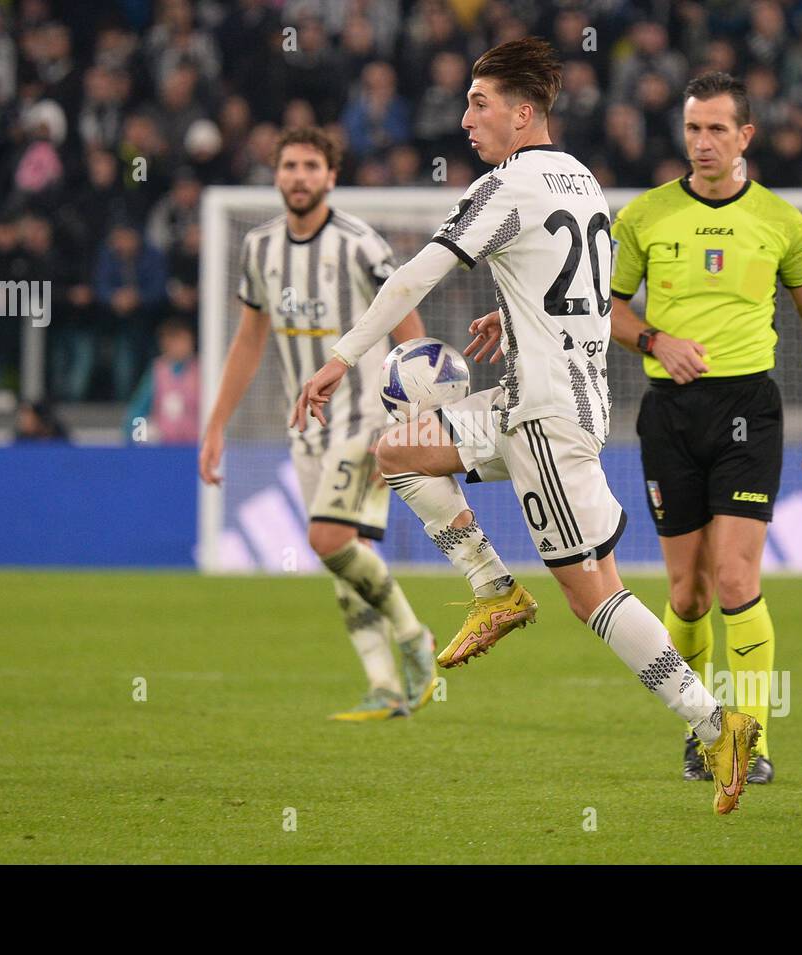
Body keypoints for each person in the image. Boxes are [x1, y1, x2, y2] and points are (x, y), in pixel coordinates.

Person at [293, 39, 758, 816]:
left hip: (543, 418)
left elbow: (414, 274)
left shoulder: (505, 184)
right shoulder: (580, 178)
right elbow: (572, 288)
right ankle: (493, 587)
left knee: (594, 598)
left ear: (523, 112)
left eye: (479, 104)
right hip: (548, 404)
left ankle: (714, 722)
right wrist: (512, 315)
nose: (466, 118)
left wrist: (342, 356)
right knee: (398, 451)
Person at [608, 72, 802, 788]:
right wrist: (656, 342)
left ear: (745, 136)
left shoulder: (782, 222)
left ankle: (751, 739)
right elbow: (608, 308)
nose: (702, 142)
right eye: (692, 129)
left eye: (717, 129)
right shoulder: (644, 217)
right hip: (668, 415)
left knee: (738, 577)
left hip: (748, 410)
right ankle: (701, 726)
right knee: (687, 595)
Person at [199, 127, 437, 722]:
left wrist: (420, 413)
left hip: (366, 418)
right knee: (339, 552)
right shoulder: (259, 249)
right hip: (306, 426)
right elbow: (249, 342)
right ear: (276, 175)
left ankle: (414, 638)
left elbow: (406, 319)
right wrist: (216, 425)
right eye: (289, 166)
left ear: (331, 177)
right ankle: (383, 685)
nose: (299, 176)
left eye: (311, 166)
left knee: (328, 539)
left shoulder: (359, 245)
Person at [126, 316, 199, 444]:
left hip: (196, 444)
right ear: (165, 343)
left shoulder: (201, 371)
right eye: (177, 341)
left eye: (186, 340)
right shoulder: (157, 371)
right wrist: (138, 441)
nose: (183, 346)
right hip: (164, 446)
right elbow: (138, 411)